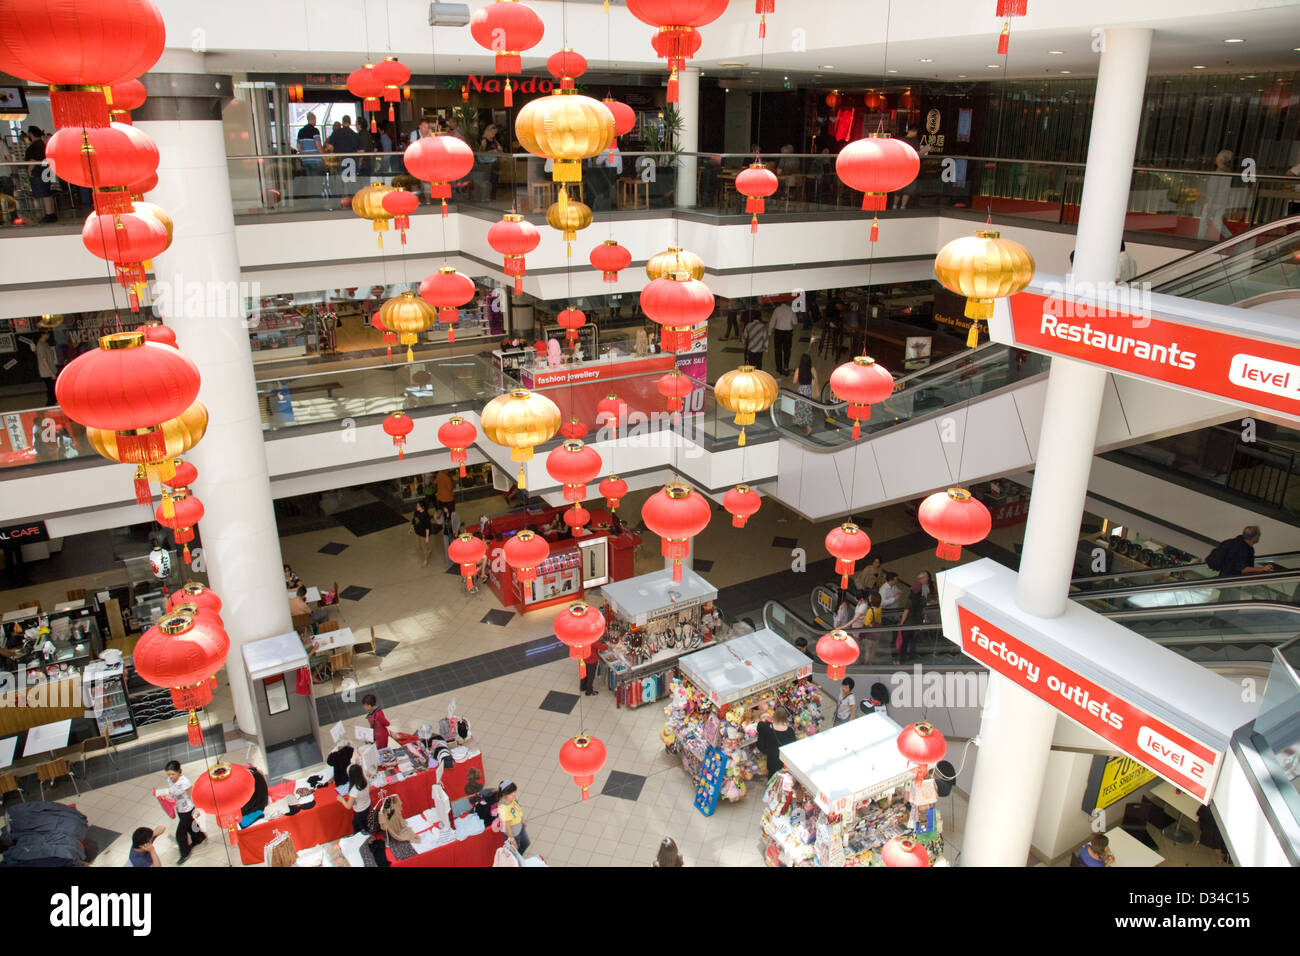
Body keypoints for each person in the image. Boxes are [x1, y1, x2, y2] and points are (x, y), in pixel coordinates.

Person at [155, 760, 206, 863]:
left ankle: (185, 853)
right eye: (169, 774)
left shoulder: (185, 782)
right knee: (189, 825)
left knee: (180, 833)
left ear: (179, 772)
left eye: (173, 774)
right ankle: (199, 837)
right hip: (179, 808)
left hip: (188, 809)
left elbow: (192, 795)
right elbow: (172, 791)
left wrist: (197, 808)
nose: (170, 777)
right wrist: (164, 793)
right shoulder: (170, 780)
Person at [896, 570, 934, 661]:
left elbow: (906, 610)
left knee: (905, 641)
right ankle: (912, 656)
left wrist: (902, 622)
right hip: (917, 622)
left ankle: (902, 658)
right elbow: (925, 608)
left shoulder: (911, 599)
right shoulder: (922, 599)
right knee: (913, 640)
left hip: (908, 622)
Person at [1210, 525, 1276, 577]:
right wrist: (1262, 569)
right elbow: (1242, 569)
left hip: (1225, 576)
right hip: (1231, 580)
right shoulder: (1243, 548)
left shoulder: (1235, 542)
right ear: (1255, 537)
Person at [1197, 149, 1234, 241]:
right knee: (1217, 223)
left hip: (1214, 202)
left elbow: (1213, 189)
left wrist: (1209, 201)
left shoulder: (1218, 173)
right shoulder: (1229, 172)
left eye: (1217, 157)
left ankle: (1199, 240)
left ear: (1221, 160)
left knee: (1204, 220)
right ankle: (1232, 239)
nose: (1216, 158)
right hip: (1222, 202)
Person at [25, 126, 56, 222]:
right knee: (48, 193)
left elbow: (33, 160)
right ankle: (51, 213)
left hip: (38, 172)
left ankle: (48, 214)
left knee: (44, 194)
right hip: (47, 171)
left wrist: (29, 171)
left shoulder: (34, 146)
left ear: (31, 134)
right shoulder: (43, 144)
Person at [756, 706, 796, 778]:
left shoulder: (767, 727)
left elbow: (759, 726)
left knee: (772, 777)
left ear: (774, 716)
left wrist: (765, 719)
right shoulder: (790, 731)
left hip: (773, 759)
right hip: (784, 760)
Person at [497, 780, 530, 854]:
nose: (514, 794)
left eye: (515, 791)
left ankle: (519, 857)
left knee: (526, 843)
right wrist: (512, 840)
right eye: (511, 793)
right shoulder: (503, 808)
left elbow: (518, 809)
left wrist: (522, 820)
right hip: (513, 833)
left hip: (519, 826)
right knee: (515, 851)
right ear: (504, 794)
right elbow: (506, 827)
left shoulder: (512, 799)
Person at [791, 353, 818, 434]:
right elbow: (815, 379)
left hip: (801, 390)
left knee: (800, 407)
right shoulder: (812, 369)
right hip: (809, 390)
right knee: (807, 408)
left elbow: (794, 381)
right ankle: (802, 423)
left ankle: (807, 427)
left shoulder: (798, 370)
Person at [340, 764, 371, 833]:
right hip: (367, 805)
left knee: (358, 826)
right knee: (364, 822)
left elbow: (348, 806)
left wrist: (342, 800)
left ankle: (363, 835)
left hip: (359, 810)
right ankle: (366, 830)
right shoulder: (366, 779)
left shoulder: (354, 790)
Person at [769, 300, 797, 375]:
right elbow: (795, 322)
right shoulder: (791, 309)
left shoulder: (777, 309)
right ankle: (786, 367)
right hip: (788, 332)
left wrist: (769, 332)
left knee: (778, 350)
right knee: (787, 350)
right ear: (788, 302)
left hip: (778, 332)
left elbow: (772, 321)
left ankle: (779, 368)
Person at [31, 330, 58, 405]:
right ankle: (50, 404)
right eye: (47, 333)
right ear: (43, 334)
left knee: (52, 388)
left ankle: (52, 403)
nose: (48, 335)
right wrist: (51, 373)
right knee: (51, 389)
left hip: (50, 370)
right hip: (46, 372)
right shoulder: (40, 345)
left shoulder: (44, 343)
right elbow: (43, 360)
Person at [411, 498, 435, 567]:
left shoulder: (425, 515)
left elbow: (427, 527)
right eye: (417, 506)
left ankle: (426, 560)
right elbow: (414, 519)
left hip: (423, 533)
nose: (416, 507)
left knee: (423, 546)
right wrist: (412, 526)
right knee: (419, 546)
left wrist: (427, 537)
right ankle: (429, 549)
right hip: (418, 531)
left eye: (418, 506)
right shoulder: (416, 512)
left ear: (422, 507)